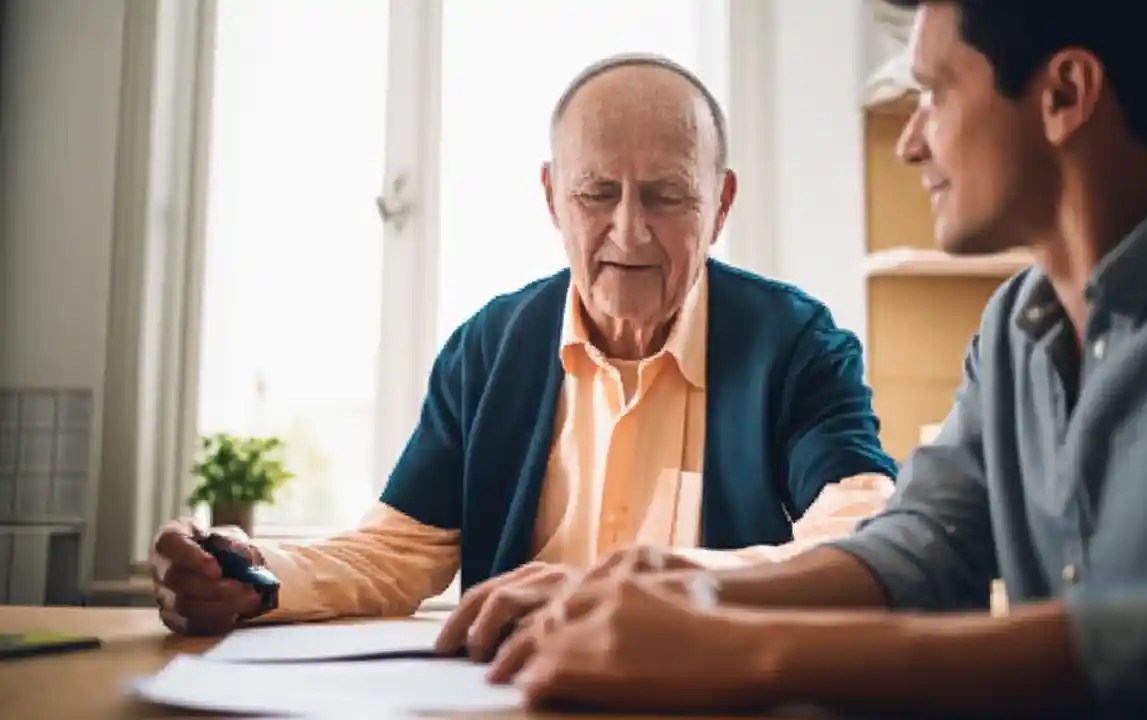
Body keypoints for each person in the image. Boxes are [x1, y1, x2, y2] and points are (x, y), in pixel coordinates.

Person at [498, 1, 1147, 716]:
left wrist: (755, 651)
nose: (911, 140)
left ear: (1065, 94)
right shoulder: (1016, 324)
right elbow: (925, 545)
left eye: (935, 93)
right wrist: (683, 593)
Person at [148, 54, 899, 642]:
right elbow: (397, 553)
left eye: (667, 196)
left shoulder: (797, 342)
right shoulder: (488, 347)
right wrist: (254, 575)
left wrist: (637, 585)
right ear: (550, 197)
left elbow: (863, 534)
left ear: (722, 202)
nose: (629, 232)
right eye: (596, 193)